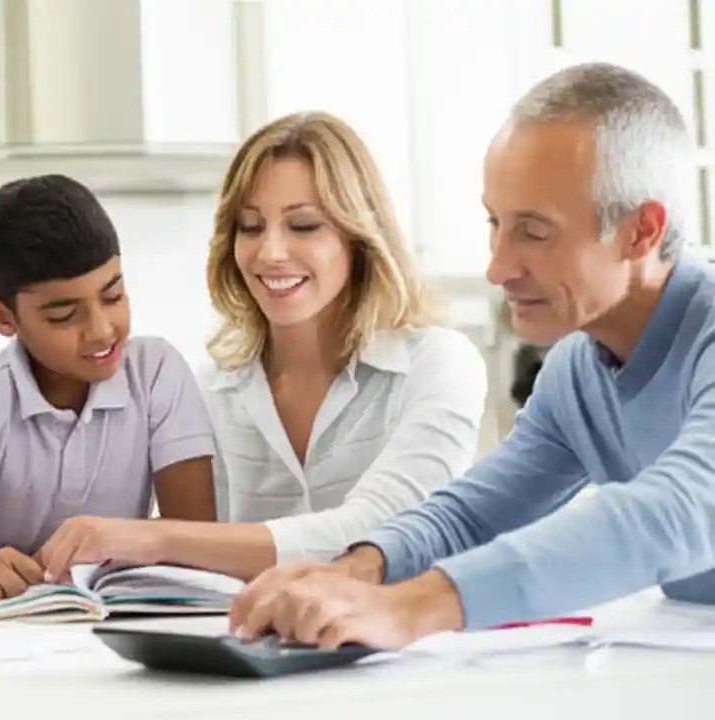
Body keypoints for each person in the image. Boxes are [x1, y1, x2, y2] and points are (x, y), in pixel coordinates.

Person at [230, 61, 715, 650]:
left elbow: (679, 509)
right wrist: (356, 571)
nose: (497, 267)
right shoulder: (577, 371)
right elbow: (472, 515)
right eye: (495, 223)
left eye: (533, 231)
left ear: (641, 232)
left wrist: (412, 608)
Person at [34, 112, 487, 583]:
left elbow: (387, 530)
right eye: (250, 227)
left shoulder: (439, 364)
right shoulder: (204, 392)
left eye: (303, 226)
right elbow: (190, 553)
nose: (270, 252)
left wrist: (158, 537)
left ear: (359, 238)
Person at [0, 174, 217, 601]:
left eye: (113, 296)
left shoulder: (156, 373)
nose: (102, 330)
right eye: (64, 315)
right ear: (2, 318)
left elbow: (199, 536)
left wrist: (121, 539)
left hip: (113, 617)